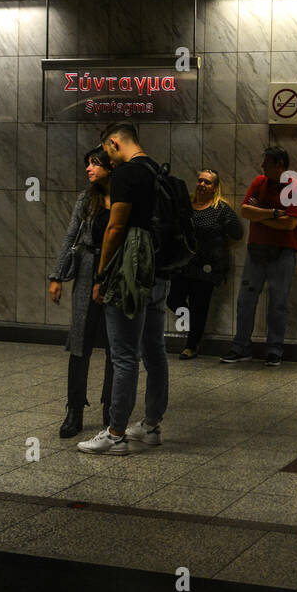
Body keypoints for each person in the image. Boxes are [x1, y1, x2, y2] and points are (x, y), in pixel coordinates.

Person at [78, 123, 170, 455]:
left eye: (109, 153)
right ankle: (150, 426)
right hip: (158, 273)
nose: (109, 161)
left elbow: (116, 227)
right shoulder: (157, 170)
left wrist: (101, 276)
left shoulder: (126, 174)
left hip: (130, 273)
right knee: (155, 351)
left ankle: (115, 433)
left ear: (114, 144)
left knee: (125, 355)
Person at [49, 147, 115, 439]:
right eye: (87, 163)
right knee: (80, 343)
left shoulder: (125, 198)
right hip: (87, 270)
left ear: (111, 166)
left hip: (115, 271)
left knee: (116, 344)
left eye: (95, 164)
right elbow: (71, 234)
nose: (88, 169)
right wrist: (57, 275)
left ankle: (111, 407)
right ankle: (74, 408)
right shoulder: (86, 199)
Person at [220, 146, 297, 367]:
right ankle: (240, 348)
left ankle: (274, 350)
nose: (262, 166)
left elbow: (290, 224)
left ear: (280, 165)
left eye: (266, 163)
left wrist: (259, 216)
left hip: (283, 253)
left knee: (279, 303)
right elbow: (245, 211)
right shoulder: (259, 182)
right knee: (245, 300)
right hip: (256, 251)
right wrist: (274, 213)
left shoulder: (296, 188)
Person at [168, 169, 243, 359]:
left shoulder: (221, 208)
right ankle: (190, 324)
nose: (202, 184)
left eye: (207, 182)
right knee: (173, 299)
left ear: (215, 188)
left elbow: (237, 233)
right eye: (200, 180)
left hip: (208, 267)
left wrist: (219, 246)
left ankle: (190, 346)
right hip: (185, 263)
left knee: (199, 306)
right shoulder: (186, 205)